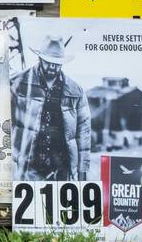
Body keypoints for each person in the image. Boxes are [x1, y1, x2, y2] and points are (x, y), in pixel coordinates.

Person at [11, 35, 91, 182]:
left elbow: (84, 133)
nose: (53, 67)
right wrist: (16, 155)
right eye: (49, 63)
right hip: (30, 168)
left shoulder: (76, 91)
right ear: (40, 58)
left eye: (57, 63)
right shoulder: (17, 84)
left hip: (62, 168)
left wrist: (82, 172)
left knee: (63, 205)